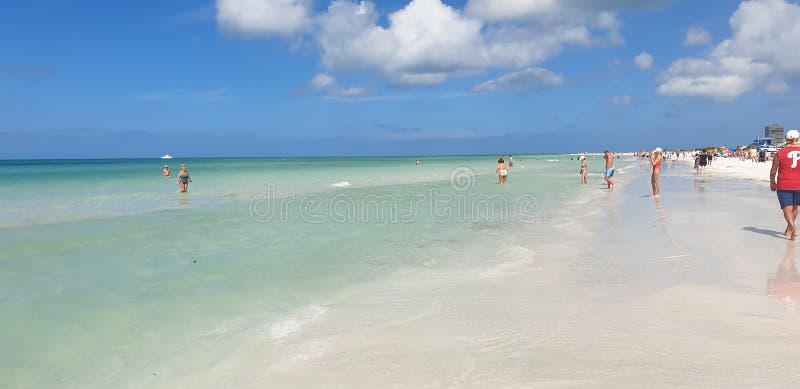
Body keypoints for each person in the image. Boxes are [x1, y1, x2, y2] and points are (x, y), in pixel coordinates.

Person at [770, 130, 800, 240]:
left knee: (787, 208)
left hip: (785, 183)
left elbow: (773, 170)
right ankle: (789, 229)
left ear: (787, 139)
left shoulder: (781, 152)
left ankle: (794, 229)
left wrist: (772, 182)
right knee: (795, 207)